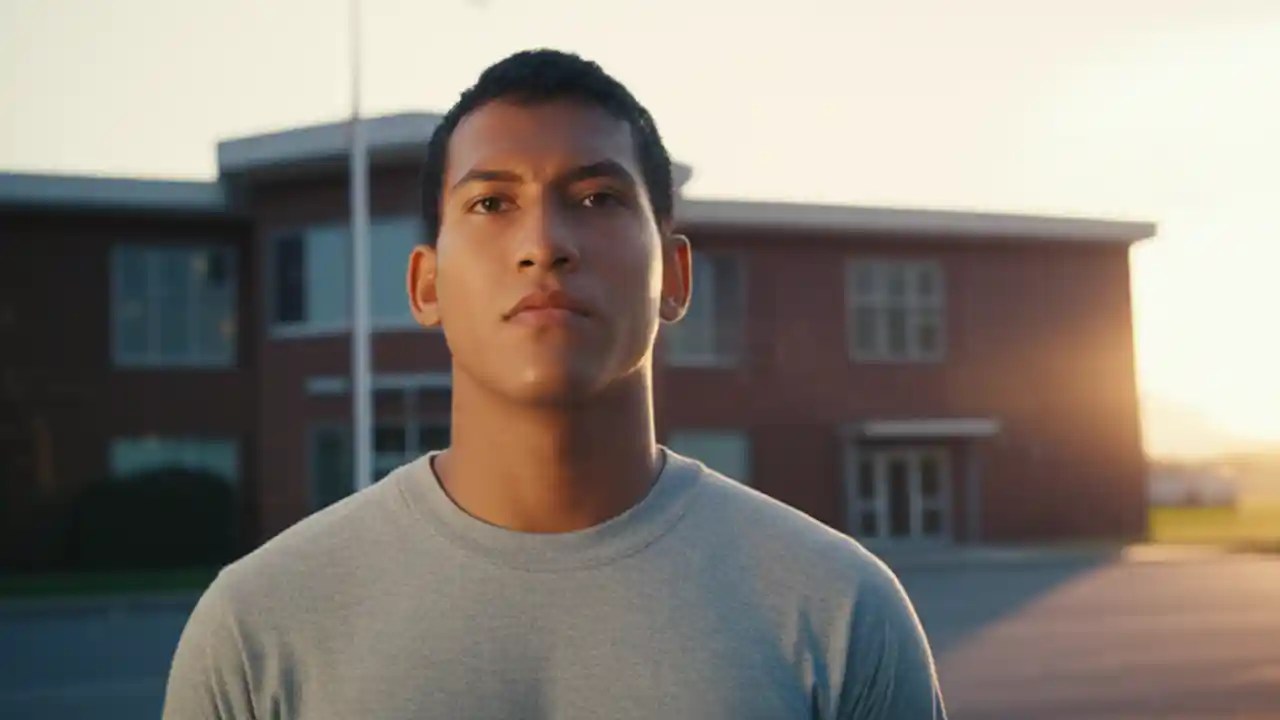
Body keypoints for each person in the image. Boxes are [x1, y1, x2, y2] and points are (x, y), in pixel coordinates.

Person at [163, 48, 947, 719]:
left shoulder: (839, 611)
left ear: (675, 277)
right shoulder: (257, 625)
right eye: (492, 202)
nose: (544, 243)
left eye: (597, 199)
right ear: (426, 285)